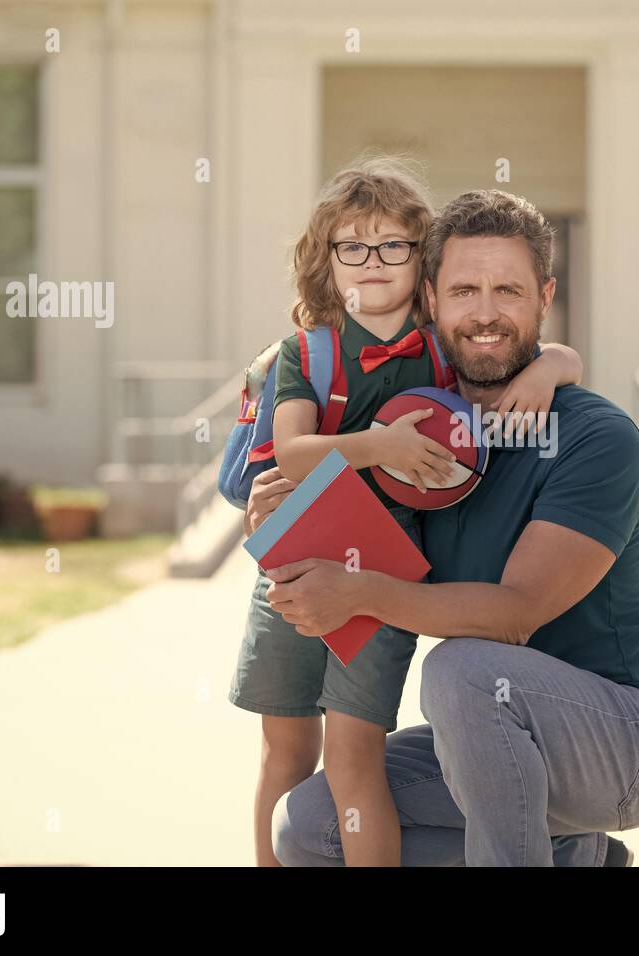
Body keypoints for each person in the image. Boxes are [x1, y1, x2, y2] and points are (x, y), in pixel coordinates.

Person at [259, 189, 639, 866]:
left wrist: (356, 591)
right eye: (465, 290)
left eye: (509, 291)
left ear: (544, 298)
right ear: (431, 299)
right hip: (497, 743)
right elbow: (333, 520)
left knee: (463, 670)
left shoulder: (598, 438)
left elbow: (516, 615)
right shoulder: (406, 437)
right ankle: (578, 855)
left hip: (632, 744)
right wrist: (282, 508)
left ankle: (562, 843)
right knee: (310, 825)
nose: (487, 313)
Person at [229, 161, 585, 866]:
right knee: (284, 751)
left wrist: (546, 370)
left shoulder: (443, 354)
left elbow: (562, 357)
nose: (372, 262)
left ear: (420, 262)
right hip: (294, 571)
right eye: (351, 247)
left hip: (380, 587)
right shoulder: (307, 353)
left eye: (393, 245)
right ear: (324, 261)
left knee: (356, 761)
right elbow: (293, 452)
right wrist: (379, 446)